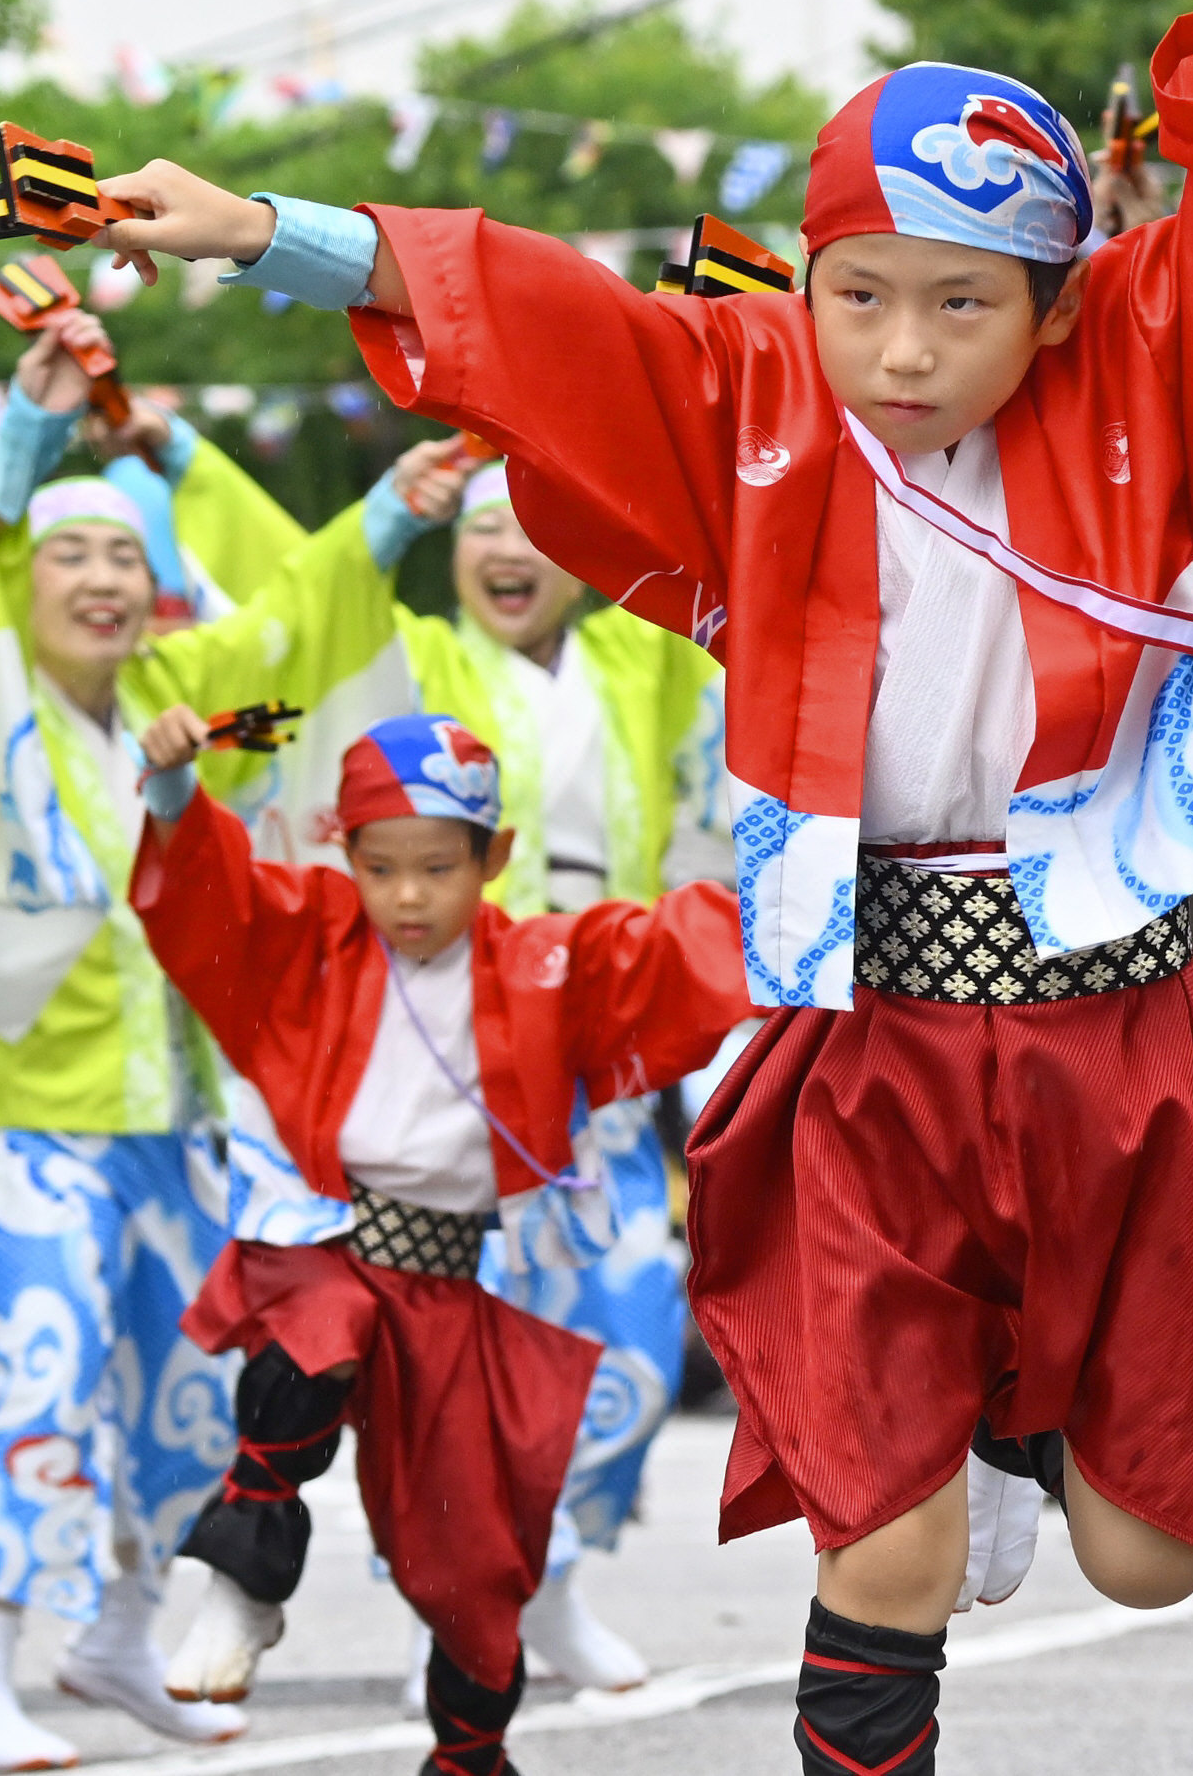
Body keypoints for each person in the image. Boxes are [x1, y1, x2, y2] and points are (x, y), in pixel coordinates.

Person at [89, 0, 1193, 1776]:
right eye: (864, 295)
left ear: (1061, 303)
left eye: (964, 305)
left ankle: (1032, 1396)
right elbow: (525, 305)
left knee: (1142, 1560)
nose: (907, 351)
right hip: (872, 1037)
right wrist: (262, 226)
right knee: (891, 1545)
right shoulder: (751, 384)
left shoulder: (1145, 371)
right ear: (811, 277)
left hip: (1124, 1039)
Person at [0, 316, 461, 1771]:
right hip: (26, 1105)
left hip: (174, 1117)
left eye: (124, 561)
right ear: (16, 580)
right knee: (43, 1370)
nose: (103, 581)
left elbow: (292, 616)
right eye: (67, 555)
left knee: (180, 1399)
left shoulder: (176, 706)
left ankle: (116, 1635)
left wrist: (388, 515)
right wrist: (28, 448)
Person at [128, 710, 751, 1776]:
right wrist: (178, 794)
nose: (407, 896)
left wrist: (816, 871)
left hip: (450, 1280)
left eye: (436, 867)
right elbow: (210, 901)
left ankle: (470, 1754)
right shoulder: (316, 934)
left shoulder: (549, 962)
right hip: (325, 1243)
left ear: (495, 857)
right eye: (379, 866)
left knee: (470, 1556)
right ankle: (245, 1582)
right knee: (316, 1337)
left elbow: (674, 950)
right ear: (345, 854)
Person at [389, 460, 719, 1693]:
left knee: (632, 1324)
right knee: (473, 1349)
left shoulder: (640, 659)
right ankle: (471, 1599)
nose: (508, 551)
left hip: (610, 1051)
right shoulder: (415, 654)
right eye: (483, 528)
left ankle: (558, 1570)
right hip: (460, 1057)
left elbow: (716, 569)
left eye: (533, 527)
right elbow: (306, 606)